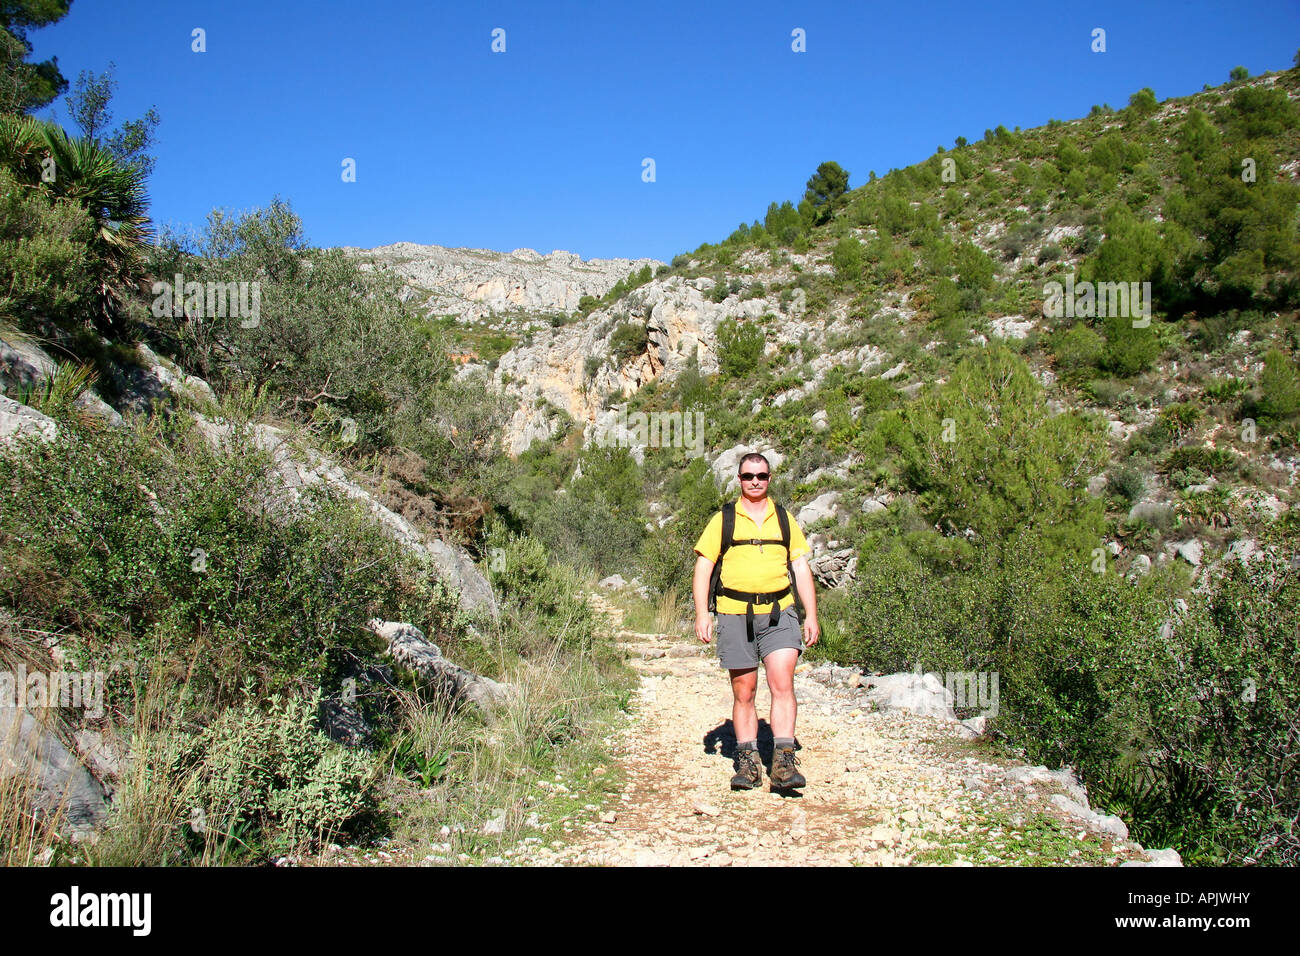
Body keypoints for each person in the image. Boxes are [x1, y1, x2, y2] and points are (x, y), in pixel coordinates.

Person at [692, 452, 819, 791]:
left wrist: (811, 615)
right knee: (744, 691)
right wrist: (702, 613)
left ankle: (783, 762)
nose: (755, 482)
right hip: (735, 614)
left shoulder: (784, 519)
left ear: (770, 478)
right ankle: (747, 763)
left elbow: (801, 568)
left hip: (780, 612)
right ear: (739, 479)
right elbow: (704, 566)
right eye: (748, 476)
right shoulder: (724, 519)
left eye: (761, 476)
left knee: (782, 684)